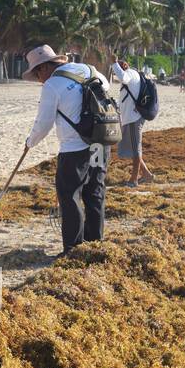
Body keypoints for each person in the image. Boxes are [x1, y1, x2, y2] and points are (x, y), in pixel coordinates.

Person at [22, 44, 108, 255]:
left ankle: (73, 249)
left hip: (74, 150)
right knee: (95, 193)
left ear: (43, 68)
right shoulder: (91, 70)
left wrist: (29, 142)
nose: (39, 80)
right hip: (100, 143)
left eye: (37, 75)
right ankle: (94, 244)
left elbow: (43, 124)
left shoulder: (52, 85)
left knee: (70, 196)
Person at [111, 58, 153, 187]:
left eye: (117, 68)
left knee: (136, 150)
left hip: (134, 118)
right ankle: (146, 174)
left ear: (123, 65)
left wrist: (114, 63)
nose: (115, 73)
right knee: (133, 148)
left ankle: (133, 180)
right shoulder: (131, 75)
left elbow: (123, 77)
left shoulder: (129, 74)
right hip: (130, 118)